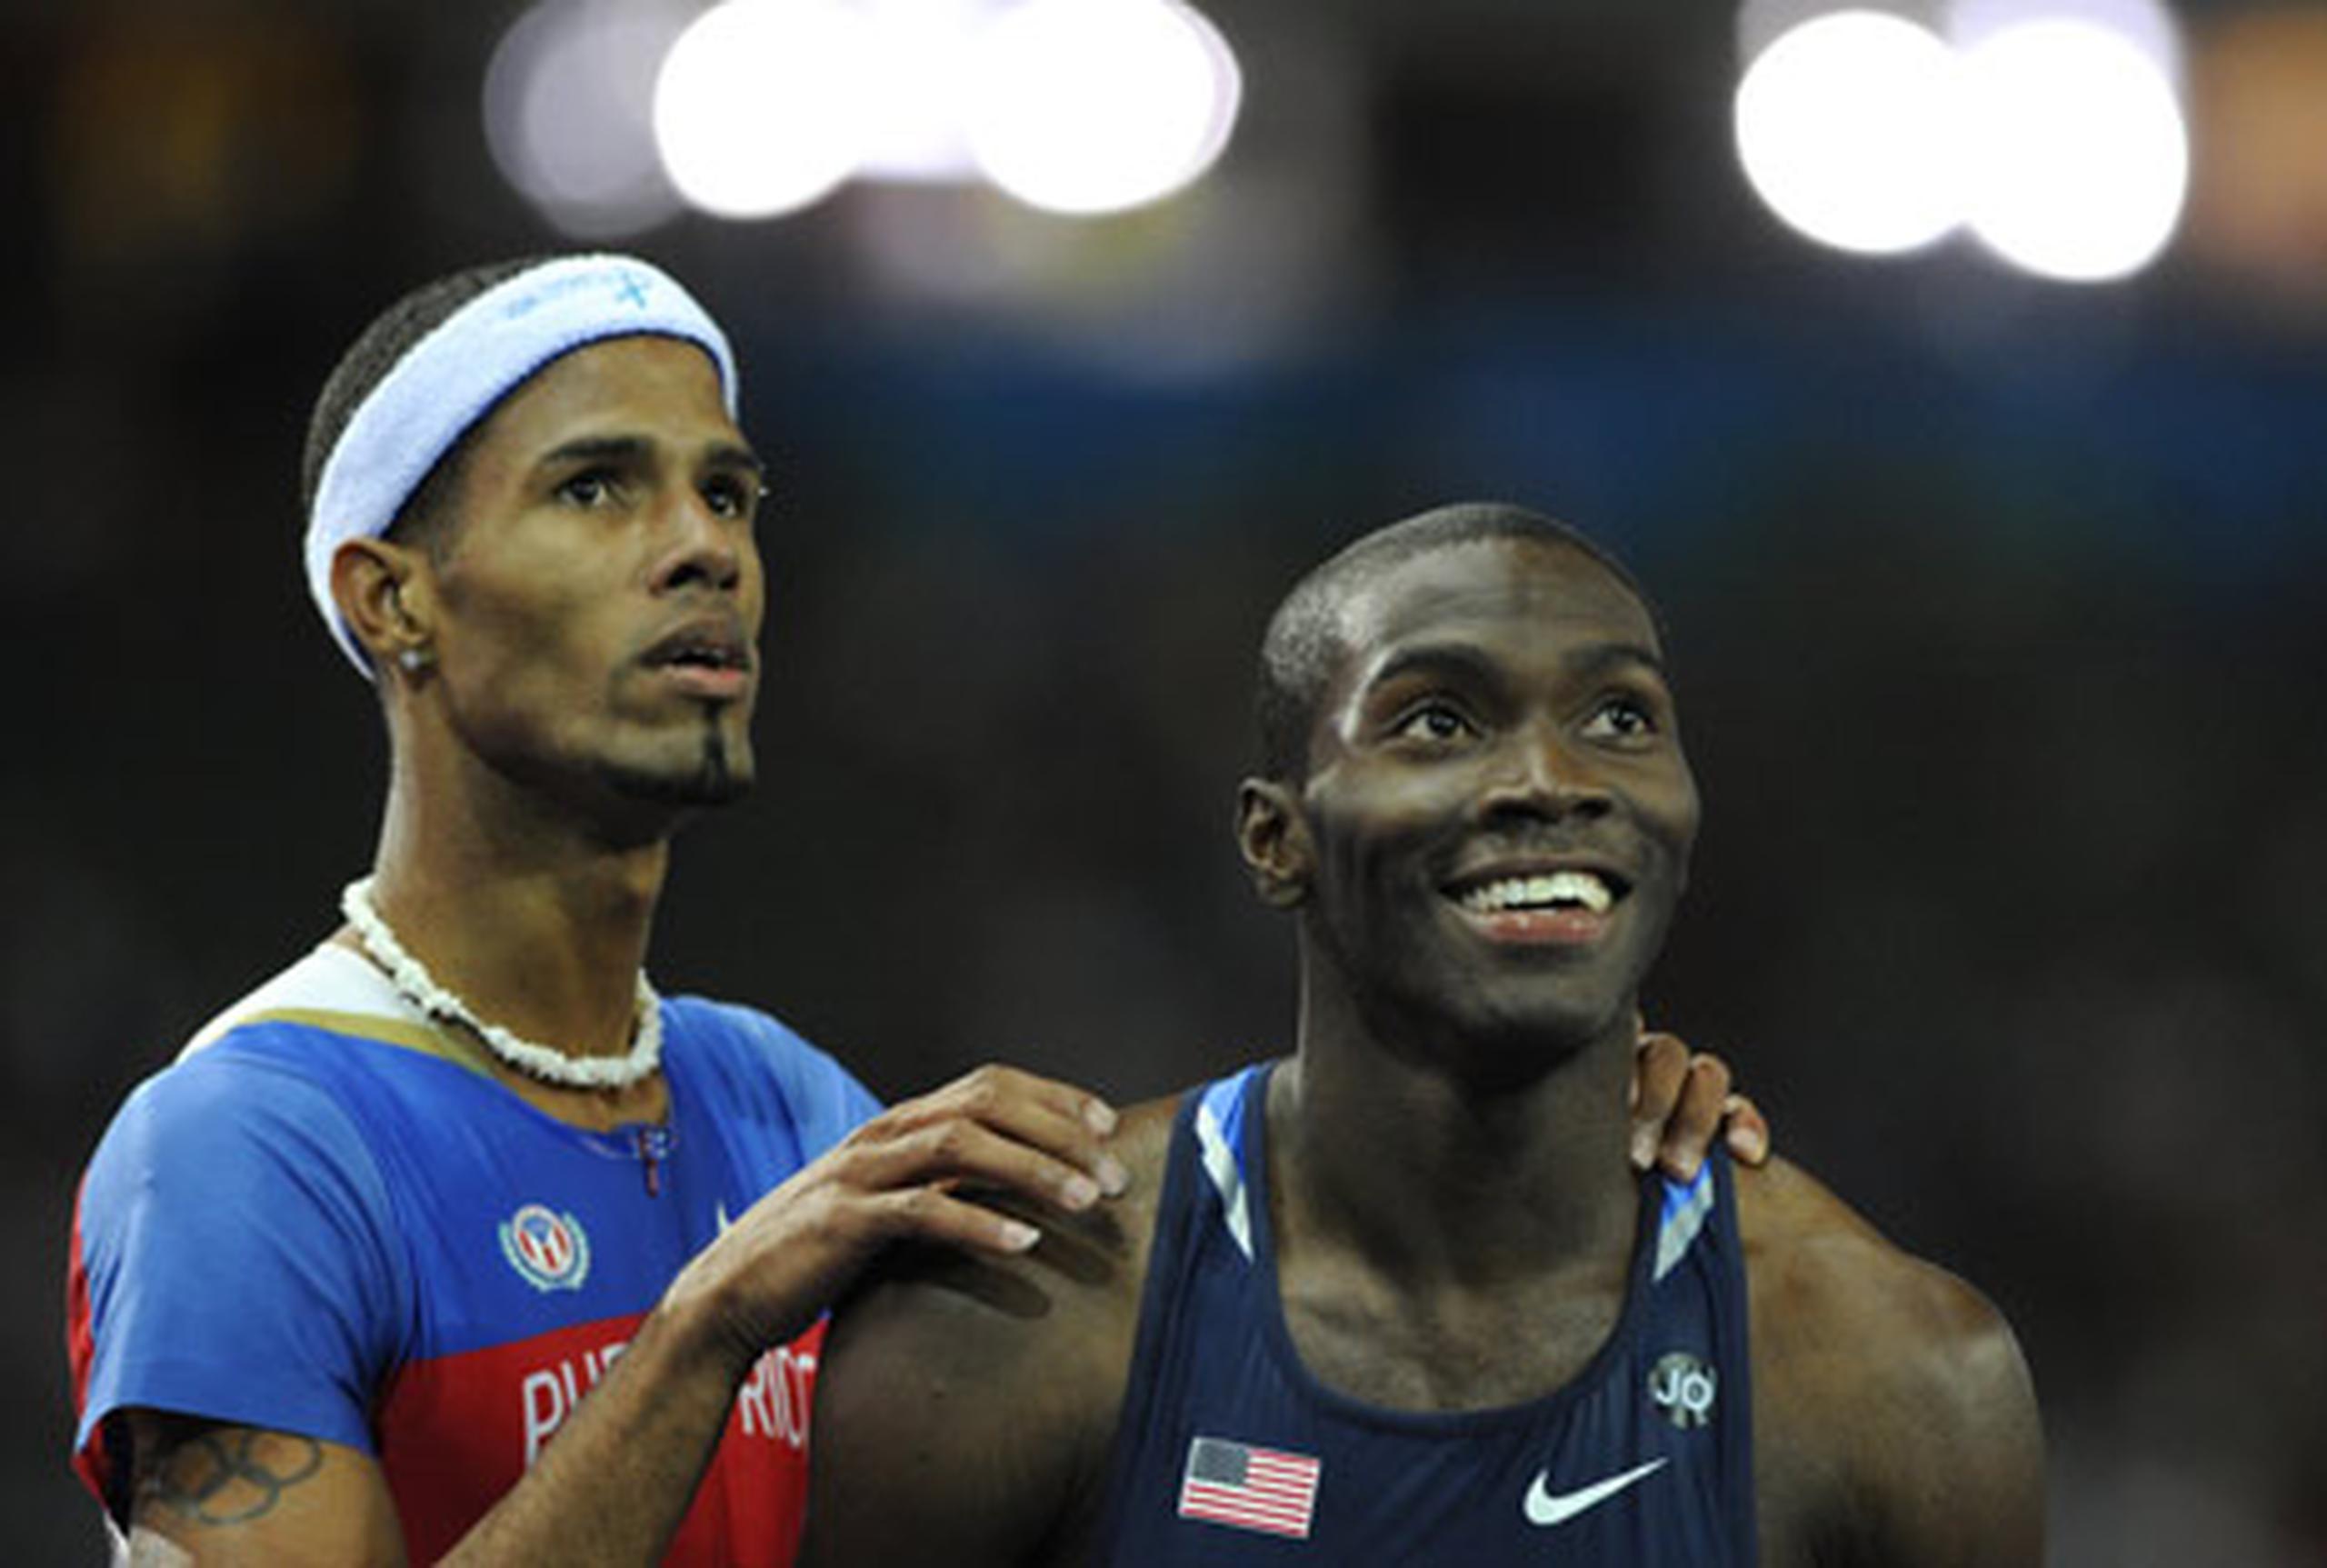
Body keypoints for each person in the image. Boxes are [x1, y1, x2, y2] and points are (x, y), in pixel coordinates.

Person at [65, 259, 1762, 1566]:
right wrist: (705, 1333)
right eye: (599, 489)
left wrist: (1537, 1112)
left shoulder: (786, 1102)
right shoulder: (246, 1145)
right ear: (392, 598)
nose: (704, 551)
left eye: (728, 495)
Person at [799, 502, 2045, 1565]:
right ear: (1273, 838)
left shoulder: (1899, 1380)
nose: (1554, 778)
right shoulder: (1016, 1323)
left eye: (1620, 716)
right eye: (1441, 720)